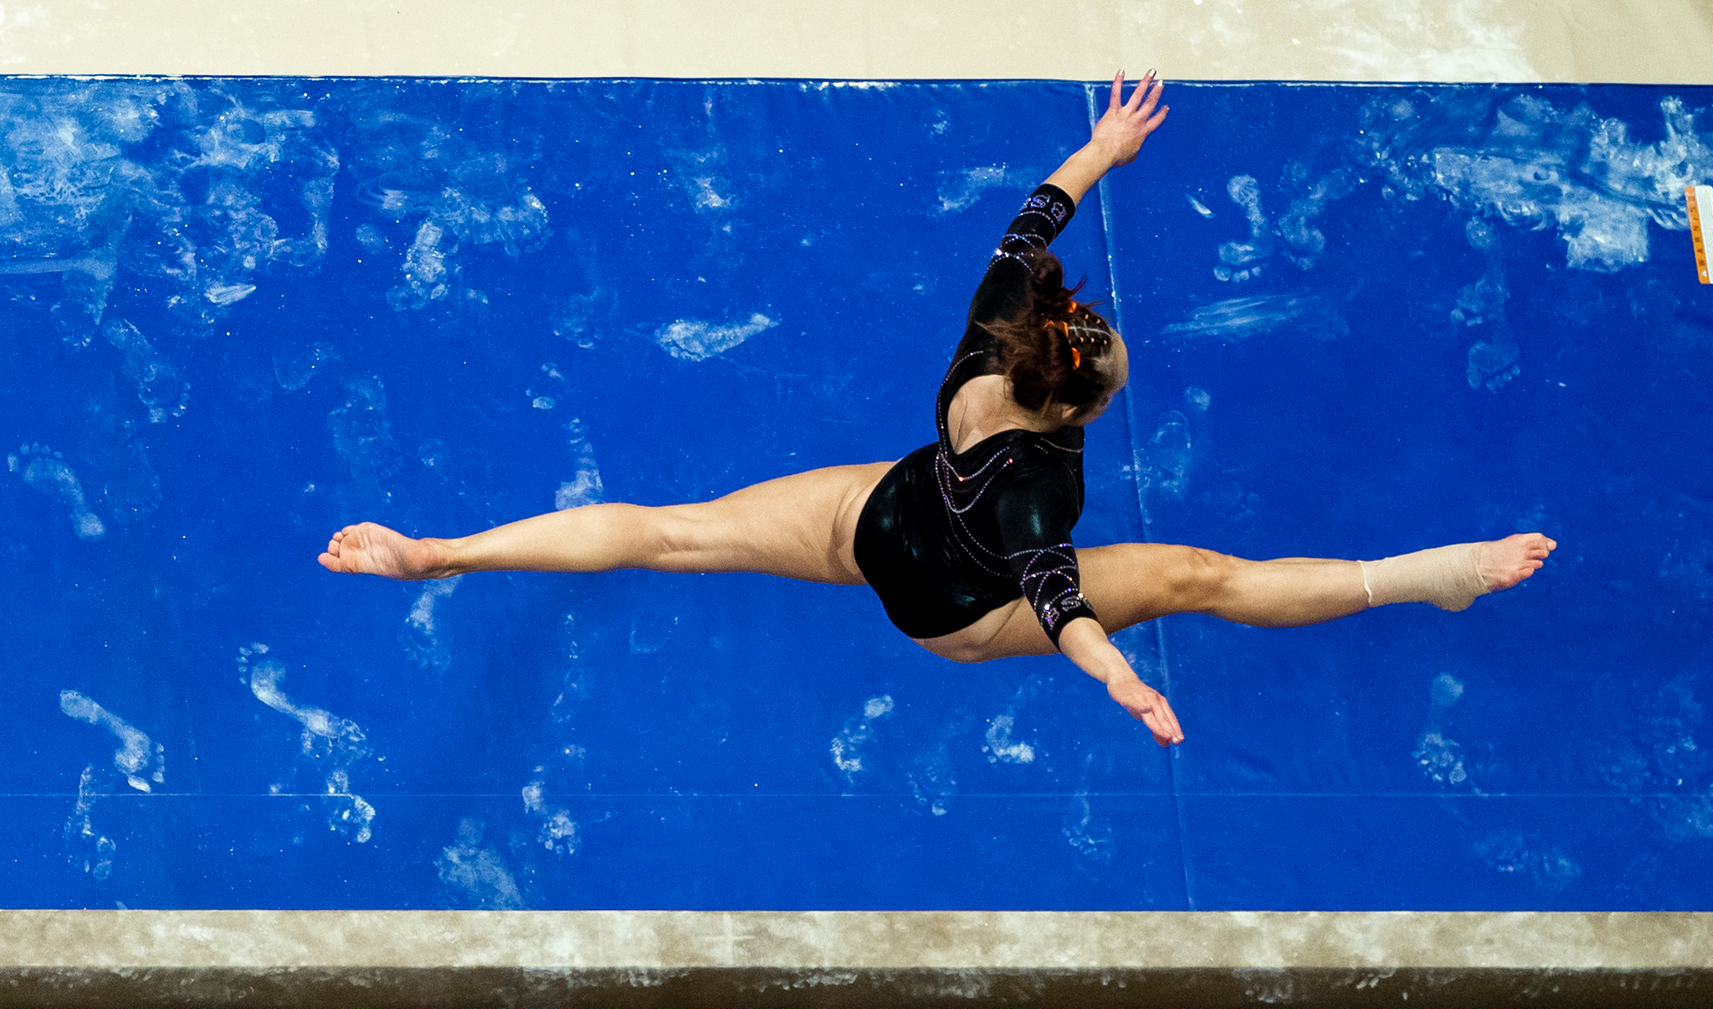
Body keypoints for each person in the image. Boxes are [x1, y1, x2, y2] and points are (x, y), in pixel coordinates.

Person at [320, 72, 1556, 747]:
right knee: (1198, 576)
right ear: (1073, 403)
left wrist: (1100, 152)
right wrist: (1120, 681)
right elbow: (1061, 597)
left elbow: (1031, 223)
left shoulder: (993, 337)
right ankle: (1425, 576)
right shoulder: (1039, 485)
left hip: (874, 514)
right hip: (952, 610)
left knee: (667, 528)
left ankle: (440, 553)